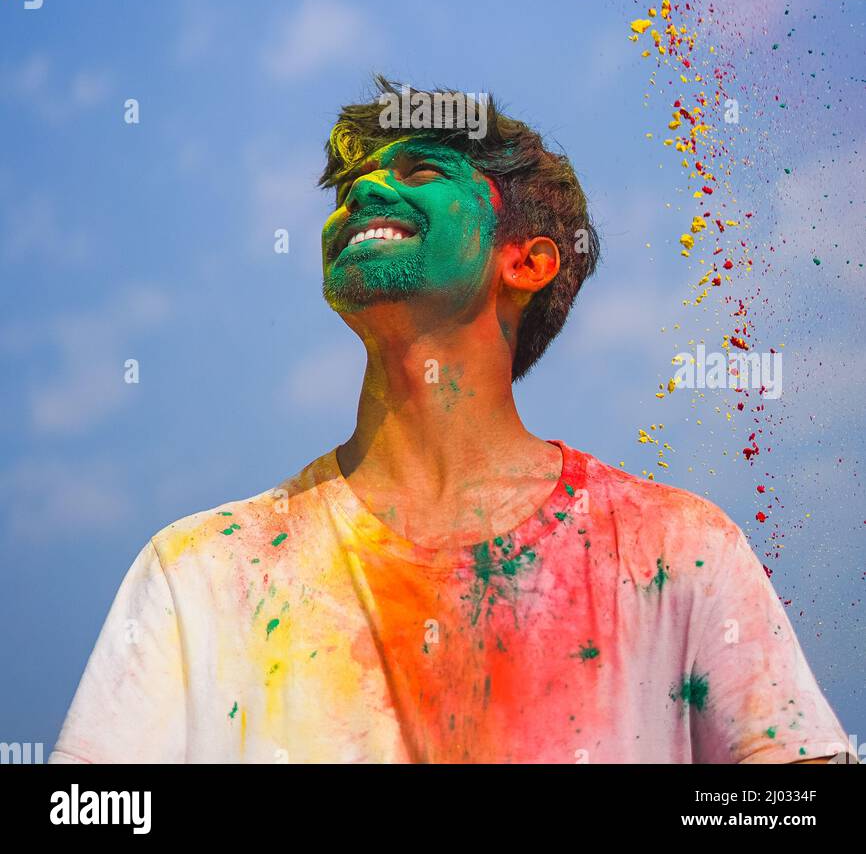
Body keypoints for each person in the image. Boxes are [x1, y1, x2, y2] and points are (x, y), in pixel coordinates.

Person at [49, 78, 854, 764]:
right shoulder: (200, 575)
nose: (361, 192)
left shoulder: (675, 551)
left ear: (528, 260)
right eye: (348, 184)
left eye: (421, 168)